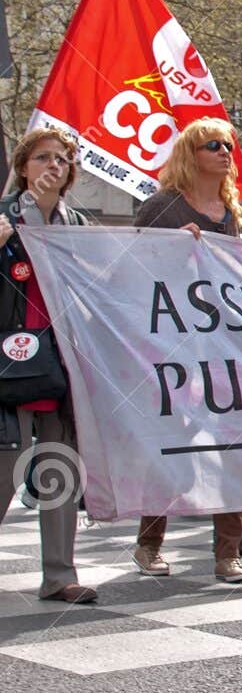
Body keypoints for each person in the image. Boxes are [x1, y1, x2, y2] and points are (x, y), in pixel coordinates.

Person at [131, 118, 242, 583]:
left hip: (225, 347)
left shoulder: (231, 212)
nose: (225, 153)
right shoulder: (161, 207)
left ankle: (227, 553)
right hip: (173, 346)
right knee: (174, 448)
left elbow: (238, 286)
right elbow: (135, 272)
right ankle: (149, 543)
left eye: (229, 146)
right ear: (190, 155)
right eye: (213, 146)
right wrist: (175, 252)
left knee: (234, 446)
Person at [0, 127, 96, 602]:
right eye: (42, 158)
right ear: (23, 167)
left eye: (62, 159)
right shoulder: (2, 220)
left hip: (62, 365)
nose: (53, 166)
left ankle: (60, 577)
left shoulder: (77, 225)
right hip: (9, 366)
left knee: (60, 473)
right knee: (3, 470)